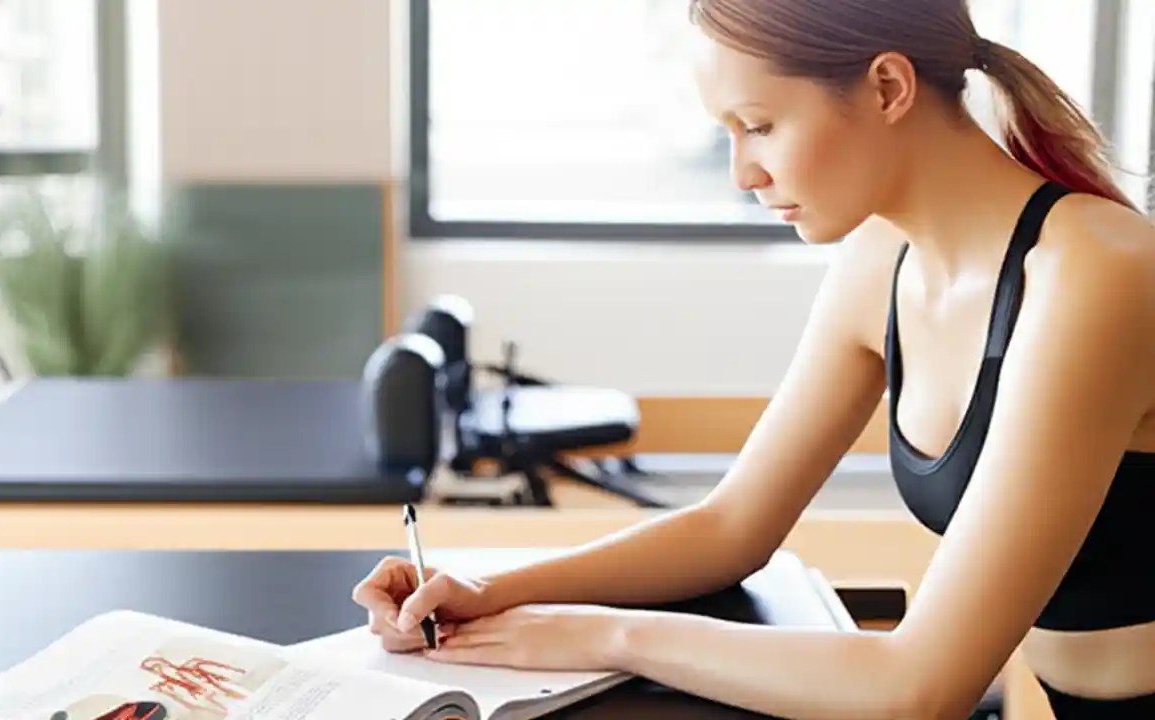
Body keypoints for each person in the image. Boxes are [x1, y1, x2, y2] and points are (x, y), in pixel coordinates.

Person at [353, 1, 1155, 717]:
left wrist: (602, 636)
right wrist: (487, 591)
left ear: (886, 88)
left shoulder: (1095, 272)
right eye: (729, 135)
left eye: (760, 126)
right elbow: (731, 528)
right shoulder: (880, 262)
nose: (744, 173)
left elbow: (918, 686)